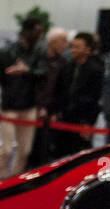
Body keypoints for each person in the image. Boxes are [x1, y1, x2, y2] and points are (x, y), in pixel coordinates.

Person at [0, 15, 47, 180]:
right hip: (9, 106)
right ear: (26, 31)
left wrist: (26, 71)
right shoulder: (6, 52)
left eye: (40, 32)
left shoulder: (39, 53)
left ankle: (15, 181)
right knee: (6, 150)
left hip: (29, 106)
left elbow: (43, 74)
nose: (38, 35)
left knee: (25, 150)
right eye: (36, 31)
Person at [52, 32, 104, 157]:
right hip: (63, 118)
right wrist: (54, 112)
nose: (73, 50)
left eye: (77, 47)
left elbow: (95, 98)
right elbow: (57, 91)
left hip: (81, 121)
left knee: (79, 156)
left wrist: (88, 123)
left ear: (88, 49)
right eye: (72, 46)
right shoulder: (66, 66)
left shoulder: (96, 69)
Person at [32, 27, 70, 165]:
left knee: (46, 149)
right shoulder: (38, 59)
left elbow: (62, 90)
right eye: (64, 41)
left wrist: (53, 110)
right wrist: (37, 106)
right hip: (32, 110)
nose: (67, 44)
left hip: (51, 113)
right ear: (53, 42)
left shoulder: (65, 63)